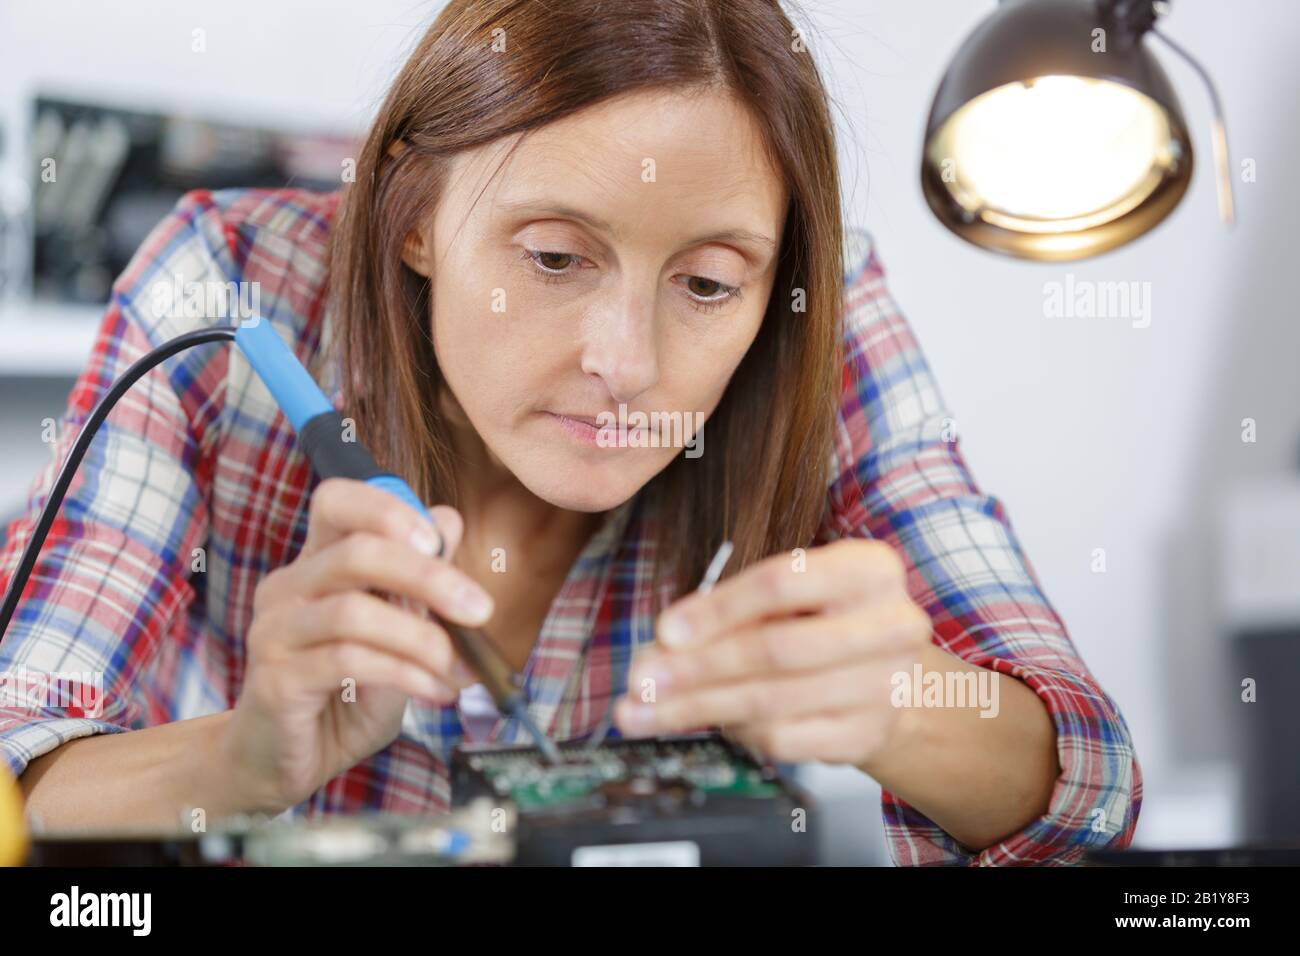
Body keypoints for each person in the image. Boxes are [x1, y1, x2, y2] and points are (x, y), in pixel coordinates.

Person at [0, 0, 1139, 865]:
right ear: (412, 217)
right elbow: (19, 766)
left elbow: (1093, 787)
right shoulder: (226, 288)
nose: (626, 364)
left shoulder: (815, 308)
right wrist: (245, 758)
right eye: (553, 258)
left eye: (704, 283)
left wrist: (904, 703)